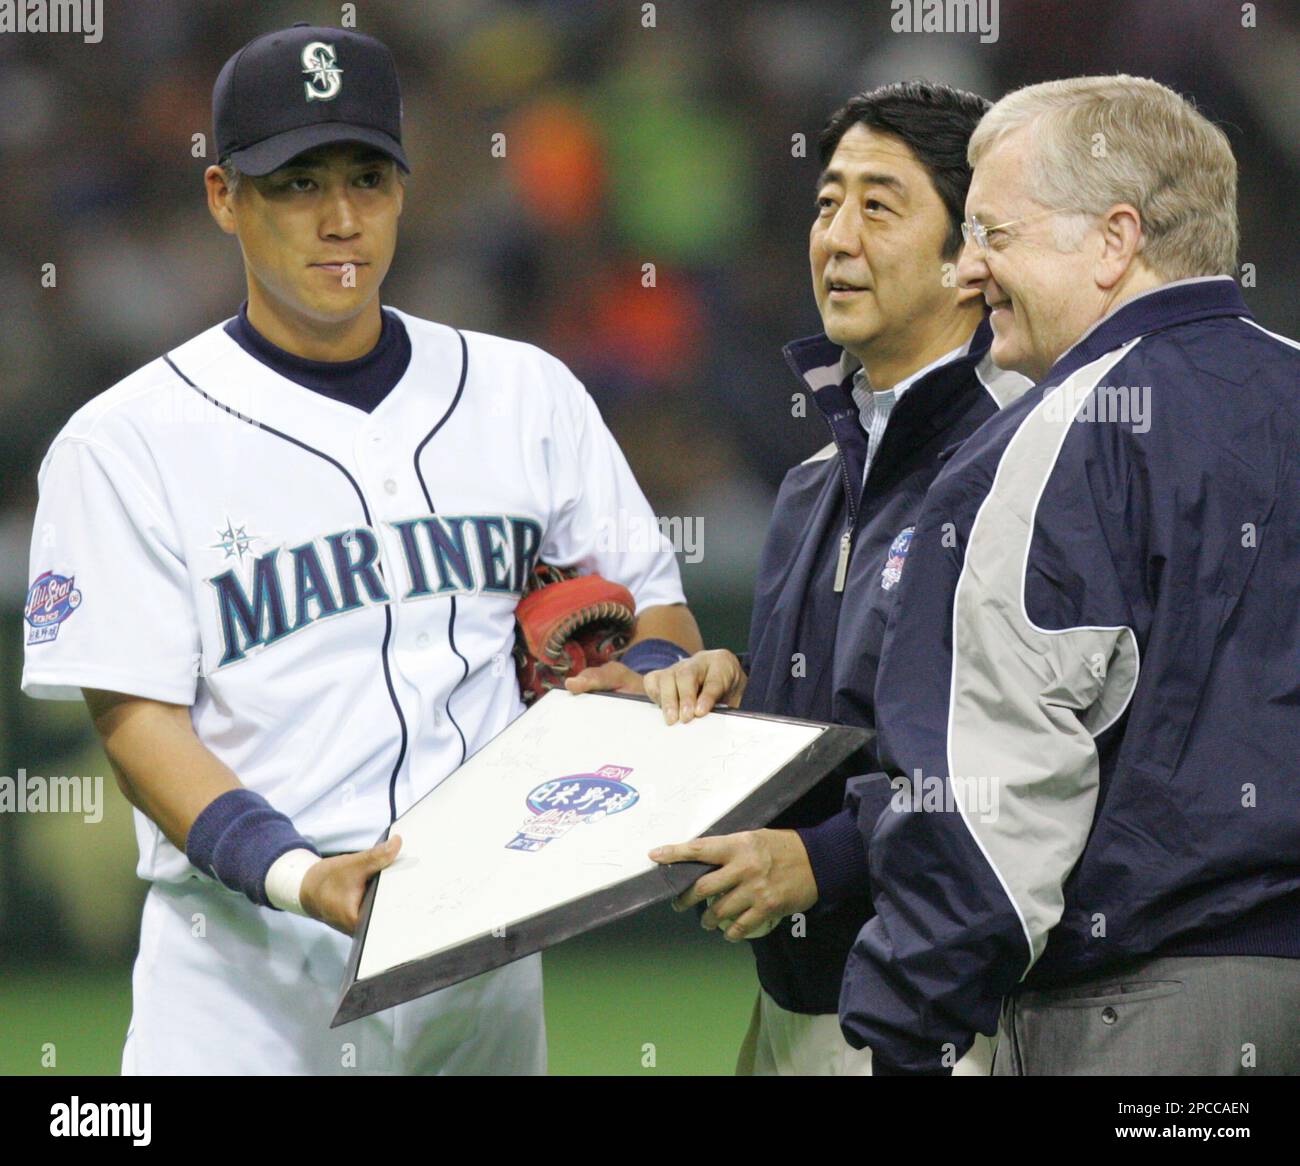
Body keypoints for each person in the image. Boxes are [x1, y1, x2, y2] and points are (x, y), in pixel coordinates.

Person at [20, 23, 700, 1075]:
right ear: (222, 196)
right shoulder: (125, 441)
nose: (340, 219)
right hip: (247, 974)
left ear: (402, 186)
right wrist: (297, 872)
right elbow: (138, 718)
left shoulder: (526, 392)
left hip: (485, 961)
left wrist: (650, 679)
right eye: (295, 183)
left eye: (366, 177)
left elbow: (656, 616)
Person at [838, 74, 1300, 1076]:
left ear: (1113, 239)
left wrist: (907, 1023)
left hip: (1145, 1017)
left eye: (992, 234)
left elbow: (989, 794)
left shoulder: (1046, 443)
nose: (965, 271)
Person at [572, 82, 1027, 1075]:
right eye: (827, 203)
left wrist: (819, 861)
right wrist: (729, 695)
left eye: (879, 204)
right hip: (789, 1005)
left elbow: (1025, 766)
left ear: (968, 256)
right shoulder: (816, 481)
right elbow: (850, 734)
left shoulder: (1021, 464)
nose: (836, 236)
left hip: (944, 1015)